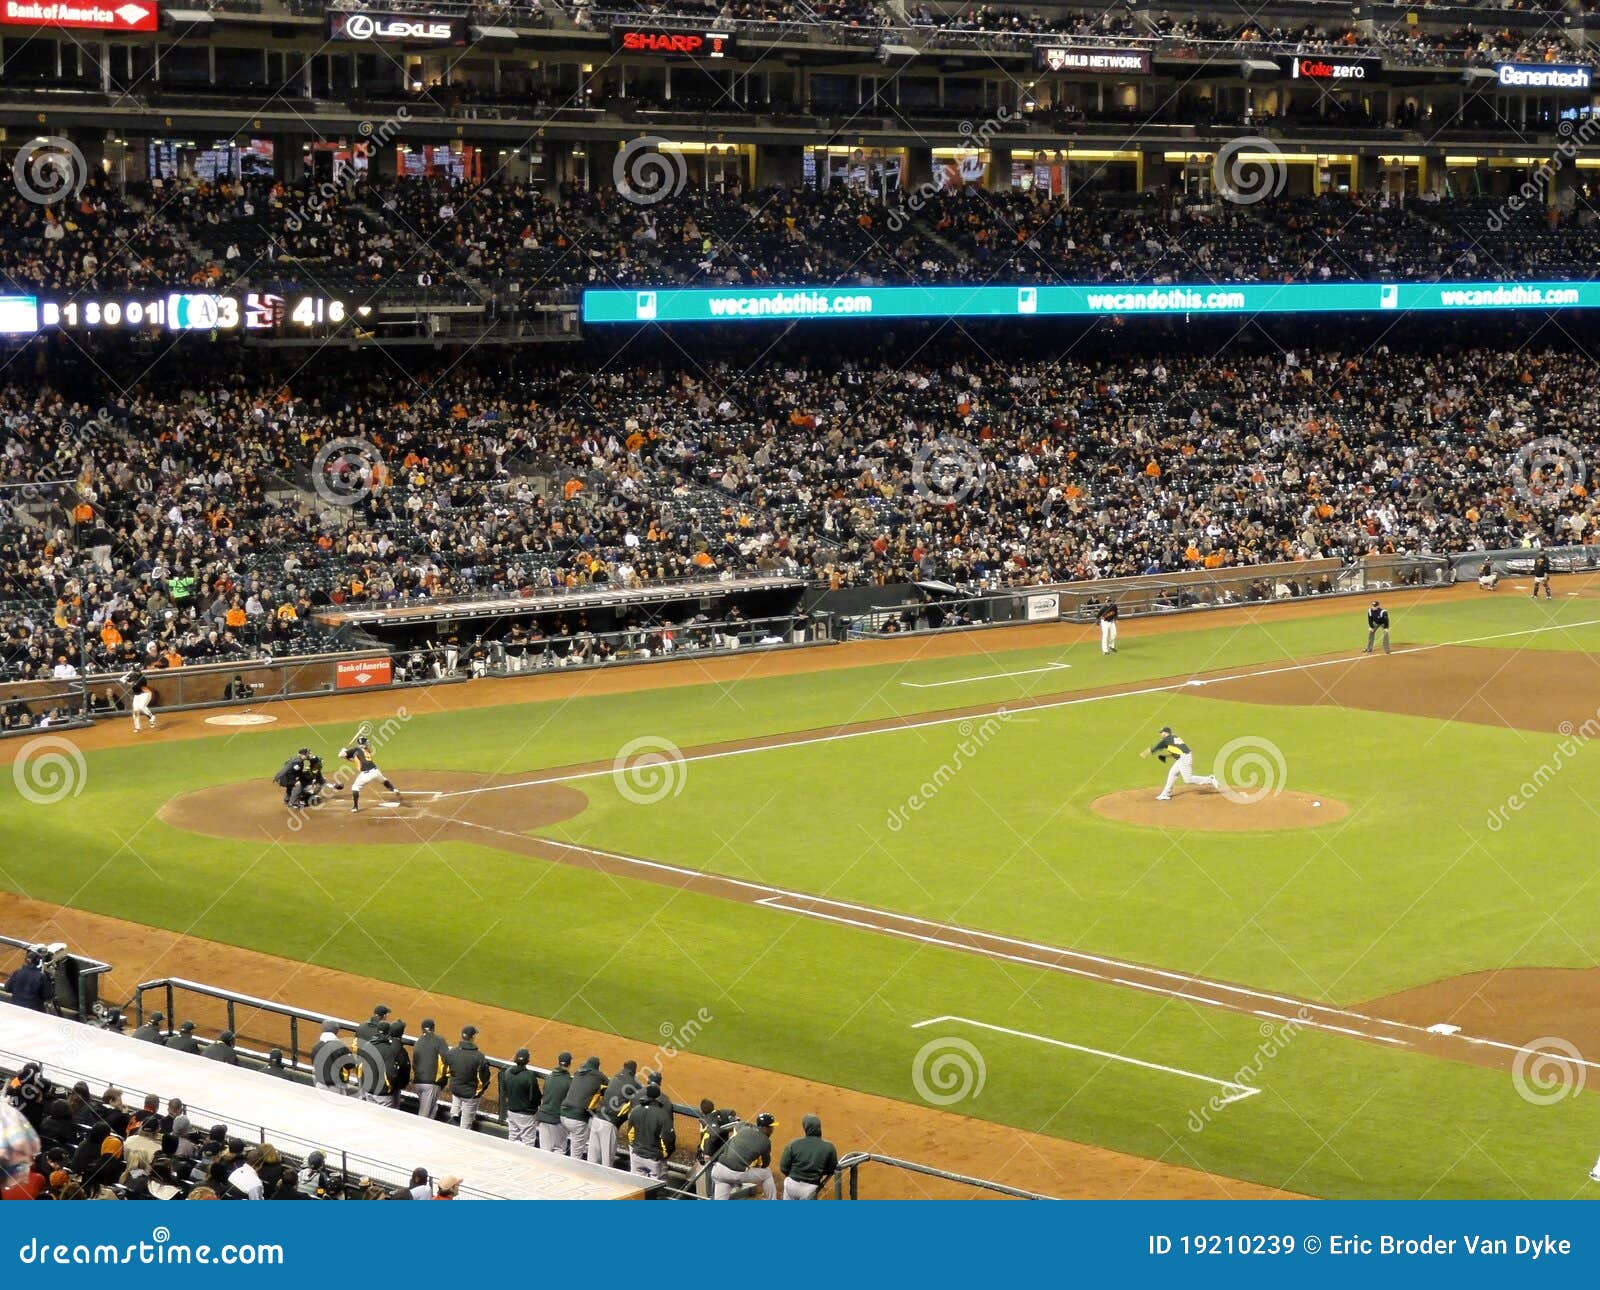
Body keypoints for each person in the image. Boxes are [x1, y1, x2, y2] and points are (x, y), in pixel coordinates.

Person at [1139, 726, 1221, 802]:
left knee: (1188, 779)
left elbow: (1155, 748)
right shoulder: (1173, 738)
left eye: (1162, 732)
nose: (1161, 734)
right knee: (1172, 774)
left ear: (1167, 733)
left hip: (1184, 758)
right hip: (1183, 757)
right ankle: (1165, 794)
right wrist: (1165, 756)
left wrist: (1144, 753)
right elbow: (1177, 754)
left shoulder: (1166, 740)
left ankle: (1210, 779)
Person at [711, 1113, 778, 1199]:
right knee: (767, 1173)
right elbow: (765, 1164)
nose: (772, 1129)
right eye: (771, 1127)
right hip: (735, 1174)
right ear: (765, 1128)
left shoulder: (743, 1129)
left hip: (718, 1171)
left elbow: (738, 1125)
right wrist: (756, 1164)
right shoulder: (765, 1141)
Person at [591, 1059, 639, 1169]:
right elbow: (641, 1095)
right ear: (634, 1071)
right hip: (609, 1124)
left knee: (592, 1160)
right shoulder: (633, 1082)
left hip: (596, 1120)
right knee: (607, 1163)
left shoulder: (615, 1077)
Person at [339, 734, 402, 814]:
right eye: (366, 742)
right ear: (364, 743)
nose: (367, 744)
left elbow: (342, 755)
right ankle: (394, 789)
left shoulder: (355, 749)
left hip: (366, 774)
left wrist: (343, 752)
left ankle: (355, 807)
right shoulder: (366, 750)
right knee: (383, 780)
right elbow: (355, 759)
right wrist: (345, 754)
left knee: (355, 787)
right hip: (376, 771)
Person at [779, 1115, 838, 1199]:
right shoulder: (829, 1147)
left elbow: (783, 1167)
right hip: (810, 1188)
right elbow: (832, 1169)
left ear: (805, 1128)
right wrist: (818, 1172)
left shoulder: (794, 1143)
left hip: (791, 1184)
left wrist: (794, 1175)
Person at [560, 1055, 606, 1161]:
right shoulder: (598, 1075)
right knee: (576, 1155)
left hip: (562, 1116)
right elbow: (608, 1085)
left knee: (560, 1147)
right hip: (577, 1119)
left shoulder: (578, 1072)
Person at [444, 1024, 490, 1130]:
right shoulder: (479, 1056)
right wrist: (478, 1092)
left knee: (455, 1111)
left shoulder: (452, 1052)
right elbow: (484, 1079)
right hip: (470, 1094)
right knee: (465, 1125)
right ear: (473, 1037)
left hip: (455, 1089)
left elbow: (446, 1071)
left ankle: (453, 1123)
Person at [626, 1083, 675, 1179]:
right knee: (655, 1189)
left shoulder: (635, 1111)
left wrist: (635, 1147)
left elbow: (630, 1133)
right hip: (654, 1158)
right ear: (658, 1096)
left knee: (638, 1188)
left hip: (637, 1156)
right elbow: (668, 1138)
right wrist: (663, 1155)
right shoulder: (663, 1115)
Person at [501, 1049, 541, 1146]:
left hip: (511, 1111)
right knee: (528, 1143)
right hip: (526, 1114)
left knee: (512, 1139)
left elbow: (504, 1090)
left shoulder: (507, 1072)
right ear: (527, 1061)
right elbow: (535, 1098)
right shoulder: (530, 1077)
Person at [411, 1019, 448, 1119]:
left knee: (433, 1109)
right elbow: (446, 1059)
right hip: (431, 1083)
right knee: (424, 1115)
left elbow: (414, 1063)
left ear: (422, 1029)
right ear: (433, 1028)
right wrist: (444, 1079)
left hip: (418, 1082)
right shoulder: (439, 1040)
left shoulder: (418, 1041)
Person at [536, 1051, 573, 1154]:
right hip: (557, 1120)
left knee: (544, 1152)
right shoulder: (569, 1082)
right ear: (569, 1064)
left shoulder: (549, 1077)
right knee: (559, 1149)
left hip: (543, 1118)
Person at [125, 668, 157, 732]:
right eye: (135, 671)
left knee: (142, 706)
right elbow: (127, 680)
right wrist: (124, 679)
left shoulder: (142, 678)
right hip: (137, 696)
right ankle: (137, 727)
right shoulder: (132, 675)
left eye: (137, 671)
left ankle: (152, 717)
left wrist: (126, 682)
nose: (136, 672)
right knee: (135, 711)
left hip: (145, 694)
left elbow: (133, 684)